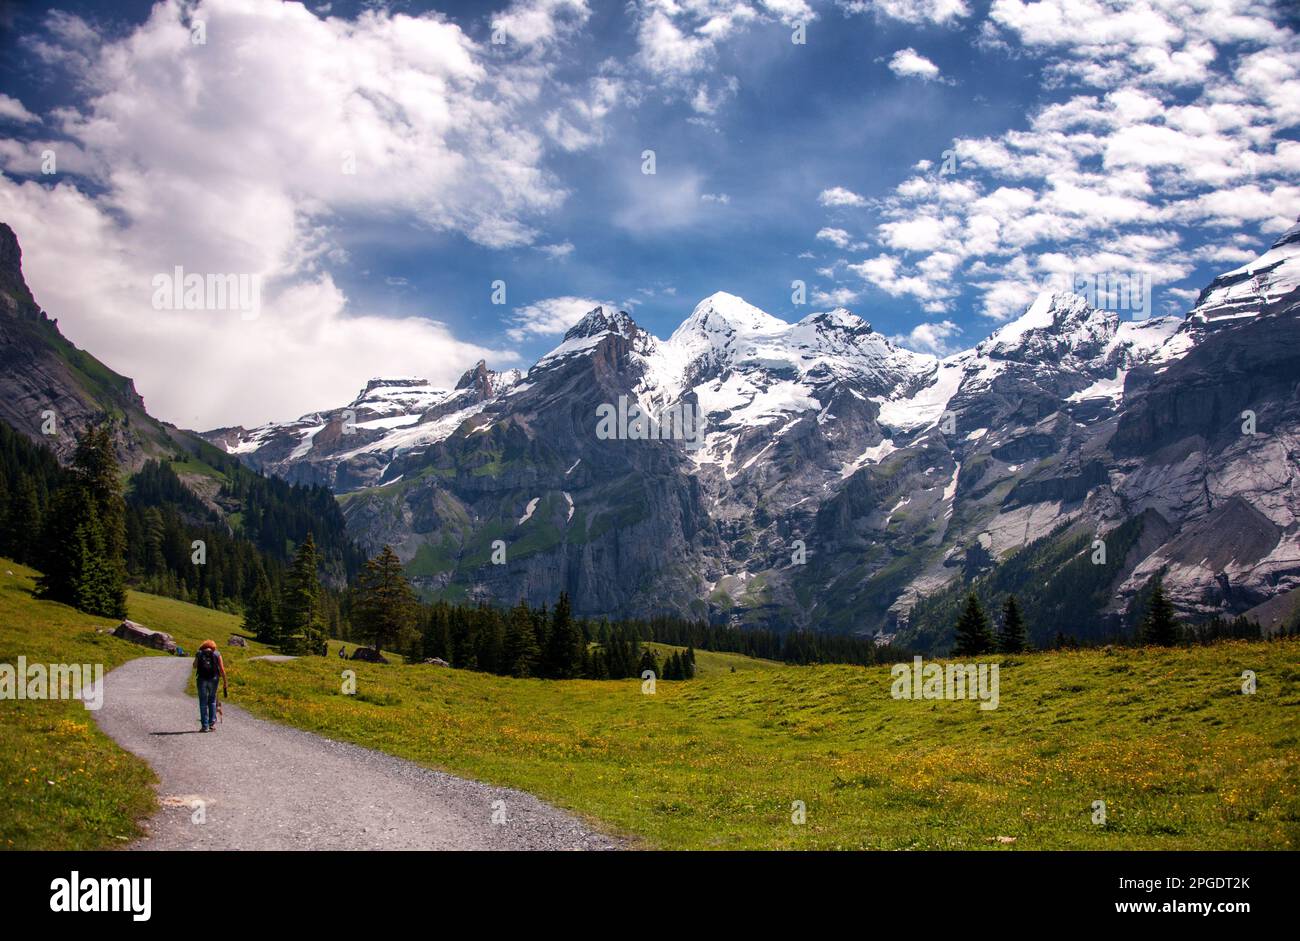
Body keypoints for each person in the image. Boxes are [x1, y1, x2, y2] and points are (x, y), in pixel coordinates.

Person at [193, 640, 227, 733]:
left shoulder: (199, 653)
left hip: (201, 679)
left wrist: (198, 657)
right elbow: (222, 669)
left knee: (203, 702)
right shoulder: (217, 653)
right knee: (212, 700)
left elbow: (194, 666)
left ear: (203, 646)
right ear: (213, 647)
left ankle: (205, 726)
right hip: (214, 679)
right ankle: (211, 724)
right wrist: (225, 681)